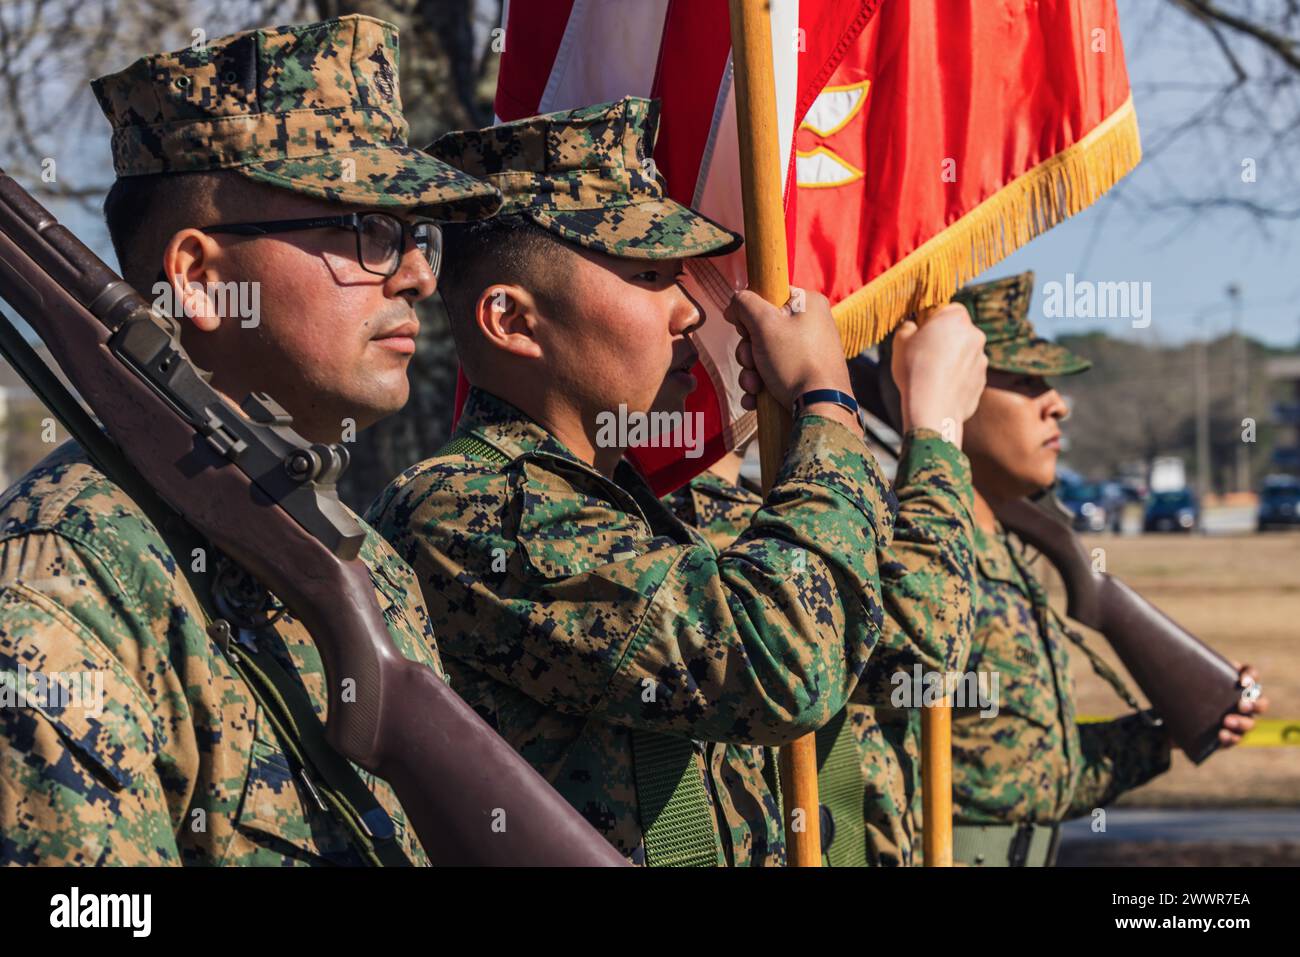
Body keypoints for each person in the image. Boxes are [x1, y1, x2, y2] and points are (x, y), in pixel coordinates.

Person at [367, 96, 987, 865]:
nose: (690, 310)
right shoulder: (472, 510)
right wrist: (827, 404)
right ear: (512, 319)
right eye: (650, 273)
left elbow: (912, 659)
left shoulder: (645, 511)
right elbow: (786, 660)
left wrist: (934, 435)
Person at [0, 15, 501, 866]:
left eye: (414, 236)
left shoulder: (364, 564)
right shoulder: (64, 588)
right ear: (199, 278)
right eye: (366, 228)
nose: (417, 273)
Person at [940, 271, 1268, 866]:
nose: (1057, 403)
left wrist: (1162, 733)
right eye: (1021, 379)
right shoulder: (907, 554)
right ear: (951, 391)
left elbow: (1026, 775)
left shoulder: (1010, 552)